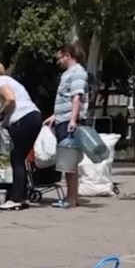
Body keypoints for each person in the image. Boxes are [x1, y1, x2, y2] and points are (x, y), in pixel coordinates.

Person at [0, 61, 41, 211]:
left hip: (23, 119)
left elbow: (10, 99)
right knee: (19, 157)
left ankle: (15, 199)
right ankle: (22, 196)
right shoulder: (10, 80)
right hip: (34, 116)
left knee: (17, 159)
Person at [43, 44, 89, 208]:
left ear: (68, 56)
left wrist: (72, 120)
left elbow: (76, 97)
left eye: (60, 57)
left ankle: (72, 197)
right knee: (67, 160)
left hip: (69, 121)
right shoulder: (68, 74)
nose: (58, 61)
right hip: (63, 119)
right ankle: (71, 196)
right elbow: (66, 98)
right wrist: (55, 116)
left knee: (69, 160)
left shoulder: (77, 73)